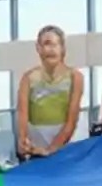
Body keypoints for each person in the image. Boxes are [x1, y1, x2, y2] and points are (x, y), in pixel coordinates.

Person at [17, 25, 84, 158]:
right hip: (37, 148)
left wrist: (52, 149)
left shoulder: (75, 77)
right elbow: (22, 117)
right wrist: (24, 142)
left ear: (63, 48)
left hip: (66, 146)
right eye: (47, 44)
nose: (51, 49)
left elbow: (71, 121)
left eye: (56, 44)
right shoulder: (28, 78)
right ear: (38, 48)